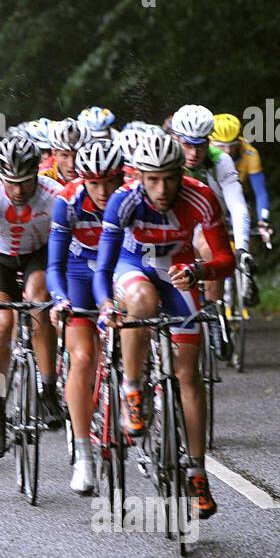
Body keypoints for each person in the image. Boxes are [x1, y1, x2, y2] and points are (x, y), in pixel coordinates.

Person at [91, 127, 234, 519]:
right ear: (138, 176)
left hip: (177, 271)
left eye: (169, 177)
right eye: (151, 179)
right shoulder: (123, 200)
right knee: (140, 300)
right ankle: (133, 389)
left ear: (179, 173)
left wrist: (199, 268)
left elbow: (226, 259)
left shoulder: (200, 197)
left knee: (189, 375)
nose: (161, 188)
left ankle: (197, 472)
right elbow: (103, 266)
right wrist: (105, 304)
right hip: (133, 269)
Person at [0, 135, 65, 457]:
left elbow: (64, 247)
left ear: (38, 172)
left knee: (39, 302)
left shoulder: (54, 195)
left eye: (26, 181)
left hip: (38, 255)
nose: (19, 190)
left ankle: (48, 388)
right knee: (1, 326)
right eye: (12, 182)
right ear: (0, 177)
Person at [46, 137, 127, 494]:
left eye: (110, 182)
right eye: (94, 183)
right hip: (79, 274)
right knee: (83, 357)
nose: (103, 191)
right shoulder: (68, 201)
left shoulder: (132, 198)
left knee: (136, 335)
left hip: (119, 270)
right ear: (83, 180)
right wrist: (60, 299)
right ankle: (83, 455)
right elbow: (54, 264)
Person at [167, 103, 257, 313]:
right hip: (169, 225)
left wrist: (242, 248)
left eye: (200, 145)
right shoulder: (163, 157)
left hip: (204, 222)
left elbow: (237, 205)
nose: (194, 153)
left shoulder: (219, 159)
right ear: (175, 138)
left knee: (211, 251)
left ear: (208, 141)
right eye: (187, 144)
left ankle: (213, 314)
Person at [211, 111, 273, 256]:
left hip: (238, 196)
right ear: (210, 141)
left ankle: (244, 265)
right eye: (221, 145)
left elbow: (260, 191)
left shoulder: (250, 153)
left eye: (232, 145)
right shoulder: (201, 151)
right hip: (212, 196)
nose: (227, 151)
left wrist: (263, 221)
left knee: (244, 227)